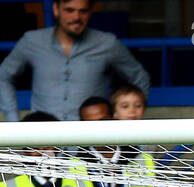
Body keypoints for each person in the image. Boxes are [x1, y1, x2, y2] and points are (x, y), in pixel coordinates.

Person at [0, 0, 150, 122]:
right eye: (69, 10)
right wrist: (13, 120)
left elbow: (139, 78)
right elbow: (3, 76)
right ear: (56, 9)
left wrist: (128, 115)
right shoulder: (32, 41)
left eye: (82, 11)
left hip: (91, 140)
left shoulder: (107, 43)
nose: (76, 17)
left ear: (90, 12)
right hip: (44, 138)